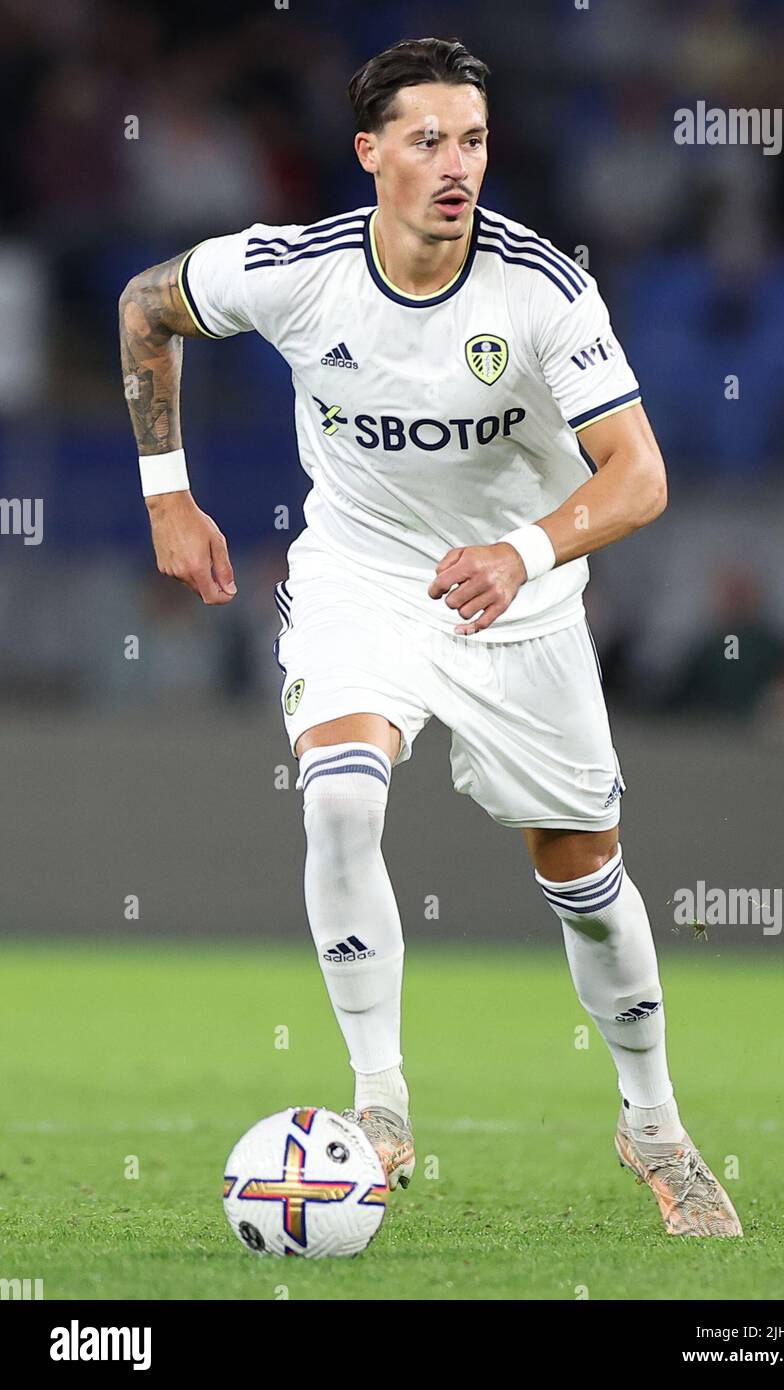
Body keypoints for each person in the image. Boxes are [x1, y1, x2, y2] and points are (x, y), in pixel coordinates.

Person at [119, 36, 742, 1238]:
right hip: (363, 578)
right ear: (370, 155)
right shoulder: (294, 272)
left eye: (473, 140)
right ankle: (383, 1105)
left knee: (590, 888)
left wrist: (525, 552)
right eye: (427, 140)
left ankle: (654, 1124)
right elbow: (149, 304)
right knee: (341, 800)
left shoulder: (543, 290)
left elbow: (642, 477)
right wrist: (165, 493)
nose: (457, 165)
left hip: (524, 600)